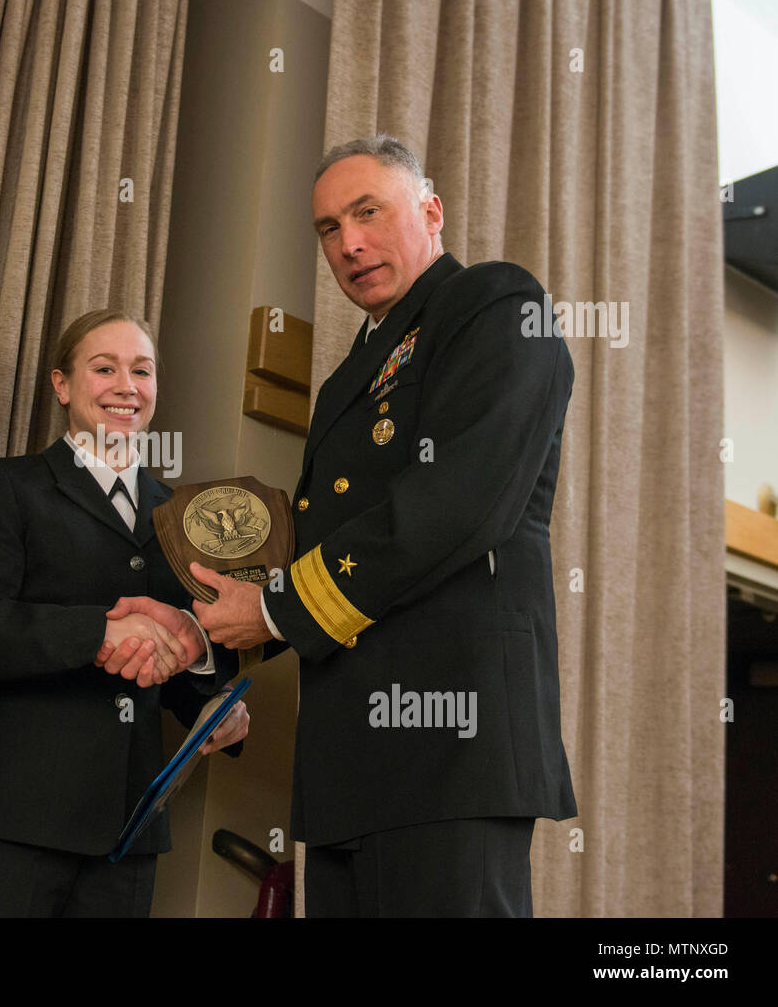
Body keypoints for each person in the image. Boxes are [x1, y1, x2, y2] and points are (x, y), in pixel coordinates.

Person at [120, 134, 577, 917]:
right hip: (349, 756)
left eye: (368, 212)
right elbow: (322, 543)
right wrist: (209, 627)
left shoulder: (497, 304)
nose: (349, 242)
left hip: (449, 742)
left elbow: (455, 507)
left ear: (430, 211)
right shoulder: (345, 382)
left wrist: (266, 611)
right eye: (329, 228)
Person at [0, 309, 249, 917]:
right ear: (62, 385)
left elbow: (185, 650)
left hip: (126, 839)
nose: (127, 386)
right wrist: (98, 631)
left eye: (142, 371)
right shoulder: (8, 486)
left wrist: (214, 702)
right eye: (105, 368)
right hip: (9, 821)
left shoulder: (181, 515)